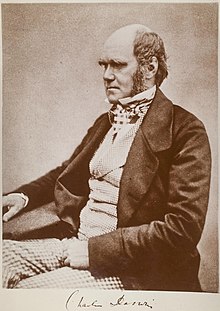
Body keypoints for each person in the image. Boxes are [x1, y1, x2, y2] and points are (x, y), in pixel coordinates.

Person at [2, 24, 211, 291]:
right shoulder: (107, 122)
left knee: (30, 293)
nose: (107, 75)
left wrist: (93, 251)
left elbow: (181, 230)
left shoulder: (185, 131)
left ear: (150, 68)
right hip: (75, 242)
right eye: (103, 65)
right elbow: (68, 172)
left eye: (118, 65)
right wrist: (23, 196)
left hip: (132, 269)